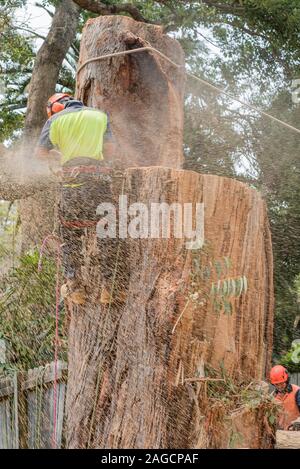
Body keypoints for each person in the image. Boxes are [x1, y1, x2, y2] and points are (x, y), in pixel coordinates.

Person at [35, 92, 121, 305]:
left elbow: (39, 154)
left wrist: (58, 156)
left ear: (55, 108)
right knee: (107, 232)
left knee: (69, 236)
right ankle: (112, 288)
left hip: (72, 188)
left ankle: (74, 287)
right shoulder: (99, 115)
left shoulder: (54, 120)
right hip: (99, 185)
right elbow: (110, 150)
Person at [270, 365, 300, 430]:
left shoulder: (297, 391)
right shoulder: (272, 397)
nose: (280, 386)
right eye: (277, 384)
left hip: (296, 432)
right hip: (281, 433)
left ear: (286, 380)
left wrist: (298, 422)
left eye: (281, 383)